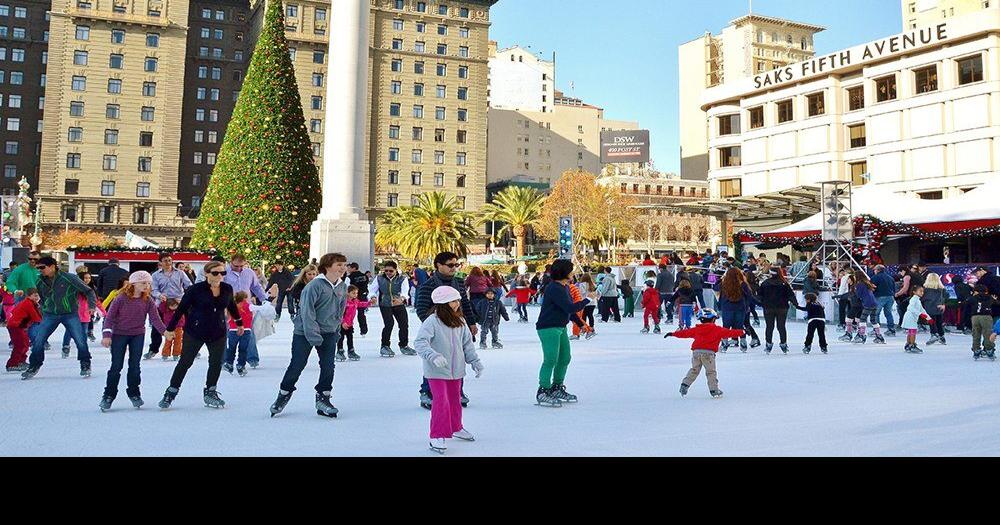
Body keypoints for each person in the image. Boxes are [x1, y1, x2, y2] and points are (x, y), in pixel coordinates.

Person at [269, 253, 348, 418]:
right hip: (304, 332)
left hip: (328, 332)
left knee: (328, 366)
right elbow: (307, 312)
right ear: (327, 266)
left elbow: (340, 309)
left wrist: (336, 330)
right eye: (339, 264)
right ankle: (284, 393)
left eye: (344, 265)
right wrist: (313, 335)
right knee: (297, 364)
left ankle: (323, 397)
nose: (342, 268)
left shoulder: (342, 285)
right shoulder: (315, 285)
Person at [157, 261, 243, 410]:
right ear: (207, 274)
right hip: (195, 331)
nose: (219, 276)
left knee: (216, 363)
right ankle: (171, 392)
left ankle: (210, 391)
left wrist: (239, 322)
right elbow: (181, 309)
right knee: (185, 362)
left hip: (218, 331)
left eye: (222, 273)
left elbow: (231, 306)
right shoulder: (195, 290)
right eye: (215, 273)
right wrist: (170, 329)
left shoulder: (227, 288)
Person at [415, 286, 484, 454]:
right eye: (454, 300)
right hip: (436, 371)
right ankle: (437, 434)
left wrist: (475, 361)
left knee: (455, 400)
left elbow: (467, 344)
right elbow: (420, 342)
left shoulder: (460, 321)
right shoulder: (432, 321)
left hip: (457, 370)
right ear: (444, 303)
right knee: (441, 401)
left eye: (458, 300)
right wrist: (433, 356)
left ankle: (456, 427)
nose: (457, 303)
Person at [414, 252, 479, 410]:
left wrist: (471, 323)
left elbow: (465, 304)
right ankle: (427, 391)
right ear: (439, 265)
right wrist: (435, 327)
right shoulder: (428, 285)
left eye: (456, 265)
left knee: (458, 356)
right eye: (450, 265)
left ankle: (458, 391)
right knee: (436, 359)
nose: (454, 268)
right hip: (438, 330)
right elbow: (421, 309)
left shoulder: (458, 282)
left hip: (458, 326)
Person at [98, 271, 167, 412]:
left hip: (137, 335)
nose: (147, 286)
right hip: (119, 335)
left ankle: (134, 393)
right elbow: (109, 318)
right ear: (133, 283)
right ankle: (108, 395)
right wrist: (106, 335)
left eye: (149, 283)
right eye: (144, 283)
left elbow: (155, 319)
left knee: (135, 366)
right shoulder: (120, 298)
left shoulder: (148, 300)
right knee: (116, 366)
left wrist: (164, 332)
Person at [21, 257, 99, 380]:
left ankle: (85, 363)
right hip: (50, 314)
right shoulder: (40, 281)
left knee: (80, 340)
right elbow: (42, 297)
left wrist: (92, 306)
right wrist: (43, 308)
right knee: (38, 340)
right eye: (38, 268)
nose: (40, 270)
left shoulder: (69, 278)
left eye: (42, 267)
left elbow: (89, 291)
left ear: (52, 266)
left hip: (70, 314)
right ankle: (34, 365)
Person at [534, 259, 595, 408]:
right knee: (550, 359)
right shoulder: (554, 288)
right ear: (564, 272)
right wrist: (588, 299)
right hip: (548, 327)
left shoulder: (565, 287)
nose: (573, 273)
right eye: (571, 270)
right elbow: (569, 307)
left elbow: (567, 310)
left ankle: (556, 387)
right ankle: (543, 390)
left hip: (560, 327)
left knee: (565, 358)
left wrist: (581, 324)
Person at [665, 309, 742, 399]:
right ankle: (714, 390)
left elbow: (684, 333)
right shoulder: (717, 330)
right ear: (713, 319)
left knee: (694, 370)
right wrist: (743, 332)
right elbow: (731, 333)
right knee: (710, 372)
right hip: (708, 354)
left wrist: (673, 334)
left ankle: (685, 384)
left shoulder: (697, 329)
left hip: (696, 353)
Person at [147, 253, 193, 360]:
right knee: (157, 327)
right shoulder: (155, 275)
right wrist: (159, 295)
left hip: (179, 303)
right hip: (163, 304)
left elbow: (189, 286)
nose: (168, 263)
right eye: (165, 260)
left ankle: (189, 349)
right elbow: (153, 289)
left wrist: (186, 297)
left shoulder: (180, 273)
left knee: (186, 327)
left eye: (169, 260)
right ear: (160, 263)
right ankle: (153, 349)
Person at [368, 260, 414, 358]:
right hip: (385, 304)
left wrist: (402, 299)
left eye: (391, 271)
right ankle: (384, 346)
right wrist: (372, 297)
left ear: (396, 270)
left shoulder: (402, 279)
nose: (388, 273)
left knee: (404, 324)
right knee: (389, 324)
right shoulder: (379, 278)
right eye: (386, 271)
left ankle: (404, 345)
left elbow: (405, 292)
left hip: (398, 304)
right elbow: (372, 290)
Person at [757, 268, 797, 353]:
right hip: (782, 308)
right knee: (781, 326)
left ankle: (768, 344)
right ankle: (783, 343)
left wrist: (760, 303)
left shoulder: (765, 283)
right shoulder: (784, 283)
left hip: (768, 308)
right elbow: (790, 295)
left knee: (769, 326)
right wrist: (796, 304)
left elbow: (760, 296)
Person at [5, 287, 41, 372]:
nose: (37, 298)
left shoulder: (30, 303)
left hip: (20, 326)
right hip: (15, 326)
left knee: (25, 344)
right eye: (35, 296)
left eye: (38, 296)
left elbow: (14, 311)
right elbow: (36, 317)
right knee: (20, 345)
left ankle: (21, 361)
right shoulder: (28, 303)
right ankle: (12, 364)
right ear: (29, 296)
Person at [223, 291, 255, 377]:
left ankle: (229, 363)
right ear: (245, 298)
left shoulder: (231, 307)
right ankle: (241, 365)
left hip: (233, 330)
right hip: (246, 330)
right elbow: (260, 309)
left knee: (231, 348)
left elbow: (227, 317)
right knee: (243, 349)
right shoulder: (249, 306)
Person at [338, 285, 370, 362]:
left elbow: (361, 304)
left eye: (356, 293)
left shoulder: (355, 301)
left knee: (350, 338)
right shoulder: (344, 302)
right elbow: (339, 313)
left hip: (350, 324)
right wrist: (342, 322)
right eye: (353, 293)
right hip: (342, 324)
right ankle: (340, 351)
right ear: (348, 293)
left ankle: (351, 351)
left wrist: (369, 303)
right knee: (340, 338)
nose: (355, 295)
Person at [901, 286, 933, 354]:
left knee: (911, 331)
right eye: (920, 291)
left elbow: (922, 310)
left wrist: (928, 318)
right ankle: (912, 345)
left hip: (912, 317)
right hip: (910, 317)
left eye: (923, 291)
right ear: (914, 292)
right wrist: (920, 314)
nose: (922, 292)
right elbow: (910, 308)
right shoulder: (914, 299)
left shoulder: (917, 300)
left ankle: (908, 344)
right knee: (913, 331)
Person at [969, 285, 995, 360]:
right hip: (986, 317)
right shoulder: (990, 297)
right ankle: (989, 349)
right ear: (986, 291)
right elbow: (997, 303)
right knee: (987, 334)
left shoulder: (973, 298)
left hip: (975, 317)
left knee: (976, 334)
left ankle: (976, 349)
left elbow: (966, 303)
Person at [922, 273, 948, 346]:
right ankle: (941, 336)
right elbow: (946, 296)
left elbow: (922, 298)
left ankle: (934, 334)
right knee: (939, 322)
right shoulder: (942, 289)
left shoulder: (925, 289)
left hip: (929, 307)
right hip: (939, 308)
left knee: (931, 321)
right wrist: (943, 304)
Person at [871, 265, 897, 337]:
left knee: (876, 313)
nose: (874, 271)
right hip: (890, 297)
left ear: (878, 270)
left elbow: (872, 288)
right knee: (888, 313)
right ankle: (891, 329)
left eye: (875, 269)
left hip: (880, 297)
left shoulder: (875, 277)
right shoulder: (890, 277)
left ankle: (876, 330)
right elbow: (894, 288)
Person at [346, 263, 370, 337]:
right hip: (363, 296)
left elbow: (347, 286)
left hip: (353, 297)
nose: (348, 270)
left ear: (354, 268)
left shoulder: (350, 277)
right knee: (361, 314)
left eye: (349, 268)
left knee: (349, 313)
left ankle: (349, 328)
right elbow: (366, 284)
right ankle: (363, 330)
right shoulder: (365, 276)